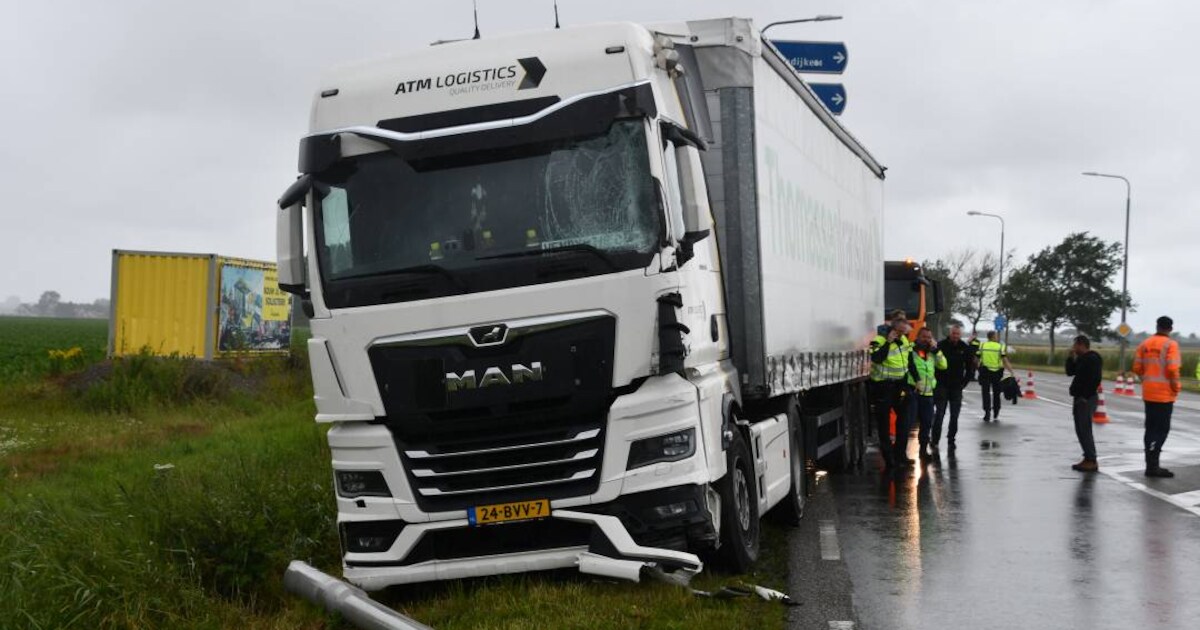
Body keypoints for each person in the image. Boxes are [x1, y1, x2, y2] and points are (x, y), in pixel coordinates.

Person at [1132, 316, 1182, 478]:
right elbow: (1172, 368)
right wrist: (1176, 387)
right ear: (1170, 328)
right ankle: (1153, 466)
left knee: (1150, 429)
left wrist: (1146, 380)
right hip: (1165, 395)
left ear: (1157, 326)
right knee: (1161, 430)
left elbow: (1137, 367)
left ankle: (1151, 464)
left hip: (1149, 393)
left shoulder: (1145, 344)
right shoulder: (1171, 344)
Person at [869, 312, 913, 470]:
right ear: (892, 329)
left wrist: (912, 382)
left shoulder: (904, 340)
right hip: (883, 386)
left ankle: (900, 455)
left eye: (904, 332)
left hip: (900, 385)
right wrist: (888, 342)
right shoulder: (879, 340)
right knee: (884, 424)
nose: (901, 335)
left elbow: (907, 362)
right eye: (899, 332)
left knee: (904, 422)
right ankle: (889, 459)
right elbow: (876, 359)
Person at [933, 325, 975, 450]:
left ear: (960, 335)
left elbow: (970, 367)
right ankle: (935, 440)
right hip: (941, 385)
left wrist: (964, 383)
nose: (955, 336)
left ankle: (951, 439)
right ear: (950, 333)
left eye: (957, 334)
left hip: (956, 387)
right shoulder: (941, 345)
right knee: (939, 414)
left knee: (954, 415)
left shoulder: (964, 348)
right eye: (953, 333)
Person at [1065, 335, 1102, 472]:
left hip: (1087, 399)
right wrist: (1070, 358)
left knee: (1085, 429)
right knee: (1080, 429)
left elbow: (1095, 379)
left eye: (1075, 345)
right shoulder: (1081, 359)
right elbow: (1070, 372)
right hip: (1079, 397)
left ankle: (1091, 459)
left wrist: (1085, 396)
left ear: (1081, 345)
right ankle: (1087, 457)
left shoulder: (1092, 358)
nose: (1073, 347)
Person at [909, 327, 948, 460]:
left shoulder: (932, 352)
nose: (926, 340)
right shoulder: (911, 350)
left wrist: (936, 350)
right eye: (924, 337)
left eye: (929, 337)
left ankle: (923, 451)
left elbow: (943, 365)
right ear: (918, 337)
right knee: (908, 424)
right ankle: (902, 454)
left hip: (928, 395)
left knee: (926, 424)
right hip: (914, 393)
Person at [976, 331, 1013, 421]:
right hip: (997, 373)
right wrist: (1011, 371)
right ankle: (996, 411)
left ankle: (987, 412)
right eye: (996, 336)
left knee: (985, 393)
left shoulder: (982, 346)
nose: (997, 338)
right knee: (996, 393)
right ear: (993, 337)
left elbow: (976, 358)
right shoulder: (1000, 346)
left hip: (985, 372)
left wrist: (977, 368)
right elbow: (1005, 360)